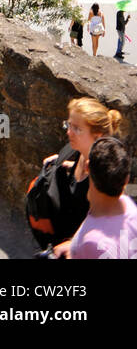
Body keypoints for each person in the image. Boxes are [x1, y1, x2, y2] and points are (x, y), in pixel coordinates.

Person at [40, 99, 124, 257]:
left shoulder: (105, 172)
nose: (68, 132)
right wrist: (63, 163)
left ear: (97, 135)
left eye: (77, 128)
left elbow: (103, 217)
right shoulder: (84, 150)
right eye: (69, 125)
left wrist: (74, 242)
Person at [63, 138, 137, 259]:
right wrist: (73, 245)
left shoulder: (92, 244)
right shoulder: (130, 208)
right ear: (126, 179)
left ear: (87, 167)